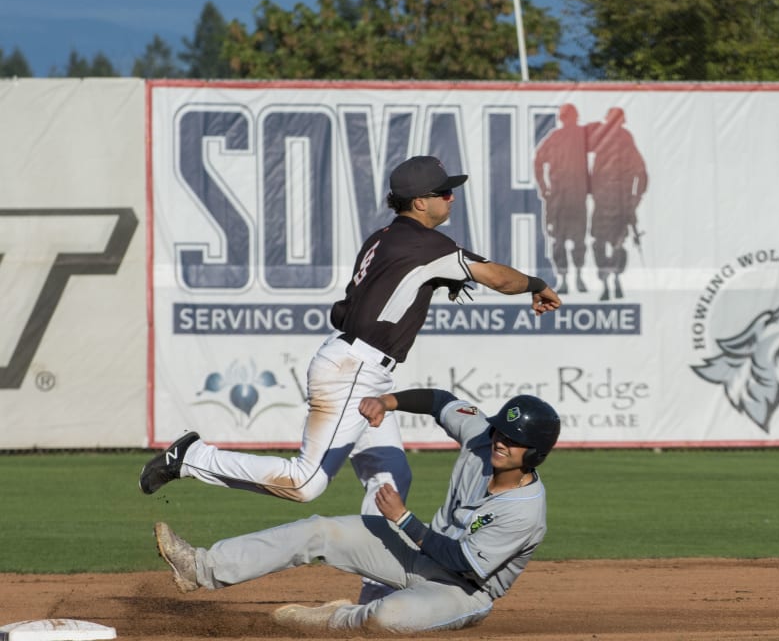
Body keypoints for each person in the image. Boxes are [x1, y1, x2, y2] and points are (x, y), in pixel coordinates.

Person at [138, 155, 561, 601]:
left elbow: (356, 302)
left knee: (390, 478)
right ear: (420, 203)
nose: (450, 197)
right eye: (443, 192)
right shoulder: (426, 246)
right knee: (305, 483)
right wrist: (537, 283)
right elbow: (498, 278)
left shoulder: (385, 238)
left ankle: (376, 592)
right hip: (354, 372)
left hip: (363, 370)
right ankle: (192, 458)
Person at [152, 391, 561, 634]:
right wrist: (388, 401)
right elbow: (440, 401)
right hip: (415, 551)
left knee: (387, 618)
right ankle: (200, 568)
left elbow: (462, 561)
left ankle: (337, 618)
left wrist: (403, 519)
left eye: (514, 439)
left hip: (463, 590)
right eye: (500, 431)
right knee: (320, 531)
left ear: (536, 453)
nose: (501, 441)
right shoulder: (481, 437)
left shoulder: (525, 511)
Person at [588, 107, 648, 301]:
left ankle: (612, 278)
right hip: (607, 202)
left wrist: (633, 199)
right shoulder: (603, 140)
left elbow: (641, 172)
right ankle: (608, 279)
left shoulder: (623, 140)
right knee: (603, 243)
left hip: (618, 203)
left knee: (615, 243)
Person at [534, 104, 592, 295]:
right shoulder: (559, 137)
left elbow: (538, 161)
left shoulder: (581, 136)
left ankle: (576, 277)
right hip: (561, 198)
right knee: (561, 240)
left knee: (575, 239)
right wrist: (544, 187)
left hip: (572, 197)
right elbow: (538, 161)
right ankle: (567, 278)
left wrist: (545, 187)